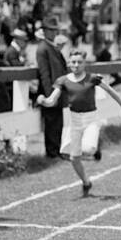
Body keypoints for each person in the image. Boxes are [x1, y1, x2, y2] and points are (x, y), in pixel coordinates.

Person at [37, 48, 121, 196]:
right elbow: (52, 100)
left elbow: (110, 91)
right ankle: (86, 182)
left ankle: (95, 148)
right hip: (74, 120)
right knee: (73, 158)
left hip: (91, 118)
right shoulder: (63, 80)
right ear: (69, 63)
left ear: (84, 63)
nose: (76, 65)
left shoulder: (92, 78)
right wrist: (43, 100)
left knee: (88, 148)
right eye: (73, 62)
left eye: (79, 62)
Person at [35, 15, 69, 158]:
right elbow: (45, 74)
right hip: (51, 91)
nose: (54, 33)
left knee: (58, 122)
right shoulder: (43, 49)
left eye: (55, 30)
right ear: (45, 31)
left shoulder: (52, 47)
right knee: (51, 123)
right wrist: (50, 95)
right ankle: (52, 152)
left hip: (58, 90)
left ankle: (57, 150)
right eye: (51, 30)